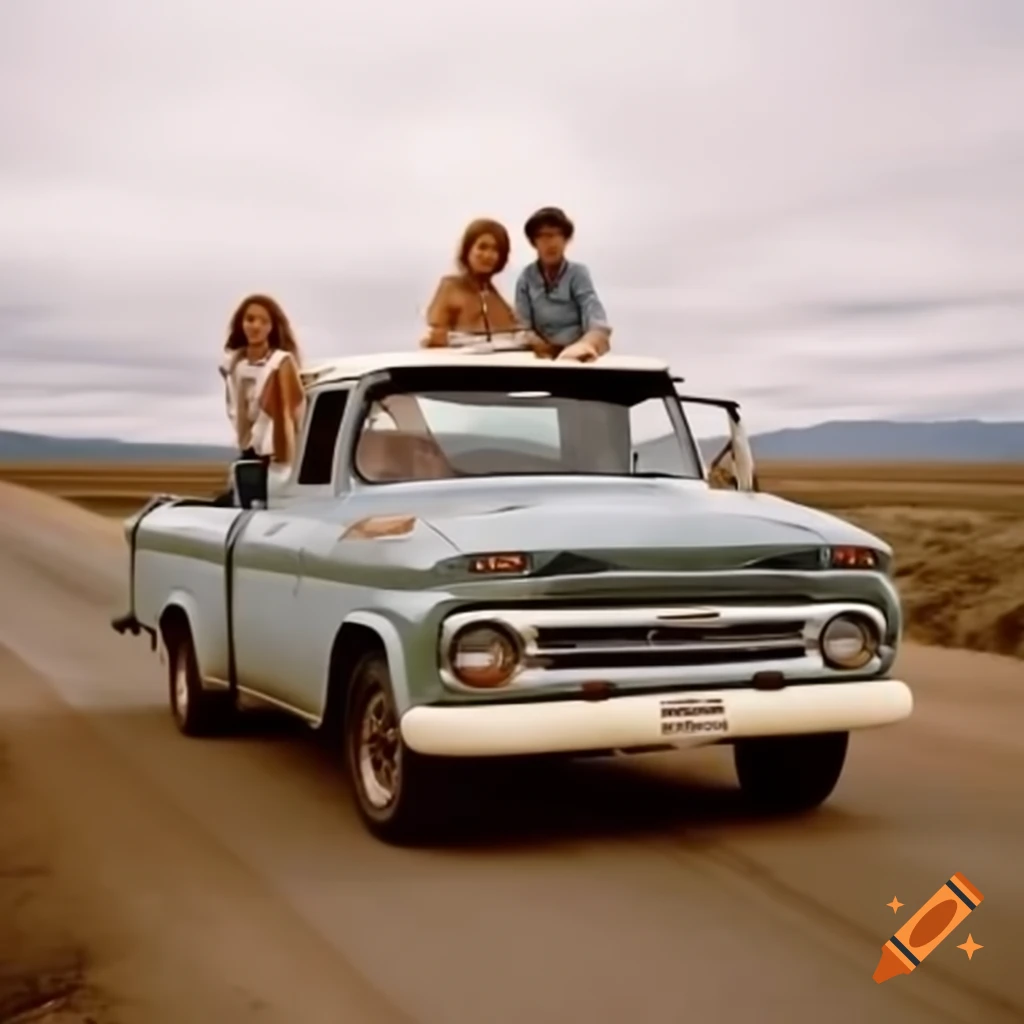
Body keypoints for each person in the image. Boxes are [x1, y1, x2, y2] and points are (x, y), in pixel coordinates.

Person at [217, 294, 306, 497]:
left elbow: (286, 415)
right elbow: (237, 413)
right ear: (241, 324)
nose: (256, 326)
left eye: (264, 321)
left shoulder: (281, 362)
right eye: (250, 319)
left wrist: (283, 465)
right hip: (248, 455)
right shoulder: (235, 366)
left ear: (272, 327)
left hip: (277, 459)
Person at [514, 206, 612, 362]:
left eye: (556, 235)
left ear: (566, 239)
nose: (551, 243)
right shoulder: (526, 278)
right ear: (534, 242)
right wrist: (541, 348)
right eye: (543, 236)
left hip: (578, 354)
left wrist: (585, 345)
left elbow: (595, 317)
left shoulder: (578, 273)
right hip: (540, 356)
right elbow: (521, 326)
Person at [421, 218, 520, 347]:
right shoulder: (450, 288)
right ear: (467, 250)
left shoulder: (500, 303)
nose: (488, 255)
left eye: (495, 250)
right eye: (482, 247)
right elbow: (435, 338)